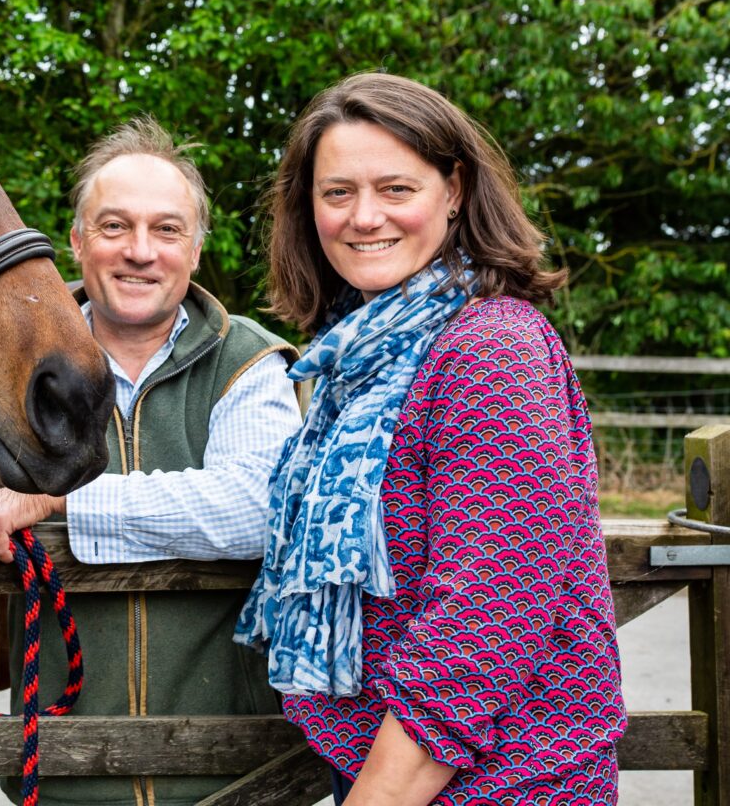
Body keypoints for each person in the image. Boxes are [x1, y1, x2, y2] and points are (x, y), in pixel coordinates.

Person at [0, 116, 304, 806]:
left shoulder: (248, 360)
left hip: (237, 776)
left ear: (195, 250)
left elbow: (257, 508)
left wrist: (56, 499)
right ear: (78, 241)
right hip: (64, 773)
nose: (140, 252)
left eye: (167, 230)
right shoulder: (9, 360)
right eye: (115, 227)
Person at [235, 73, 625, 804]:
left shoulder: (489, 349)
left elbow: (489, 614)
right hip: (405, 767)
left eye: (396, 188)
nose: (364, 217)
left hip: (500, 781)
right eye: (337, 192)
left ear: (454, 190)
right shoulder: (362, 358)